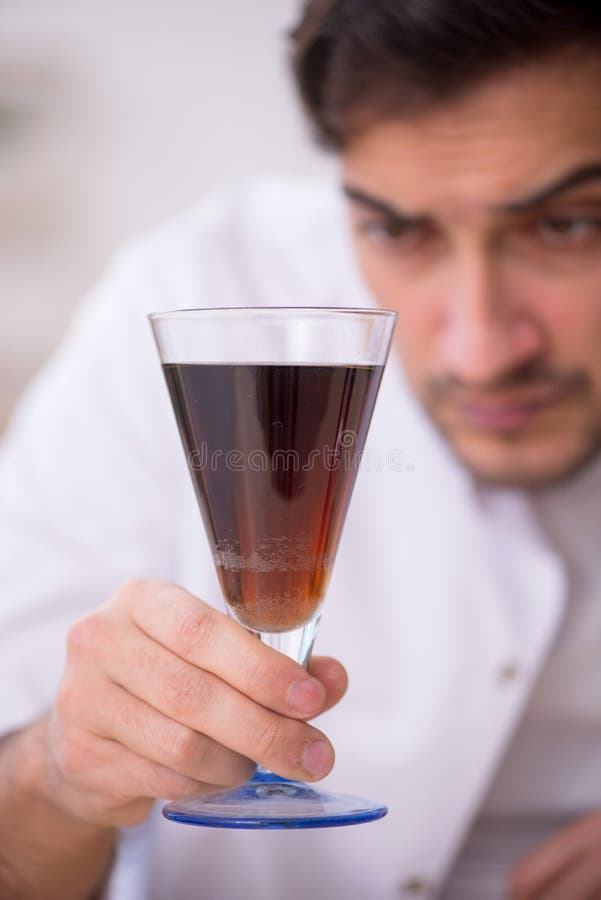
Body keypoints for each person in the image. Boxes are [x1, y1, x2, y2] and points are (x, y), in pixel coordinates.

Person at [1, 0, 601, 897]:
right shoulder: (192, 287)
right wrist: (54, 776)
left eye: (567, 226)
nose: (480, 351)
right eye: (395, 231)